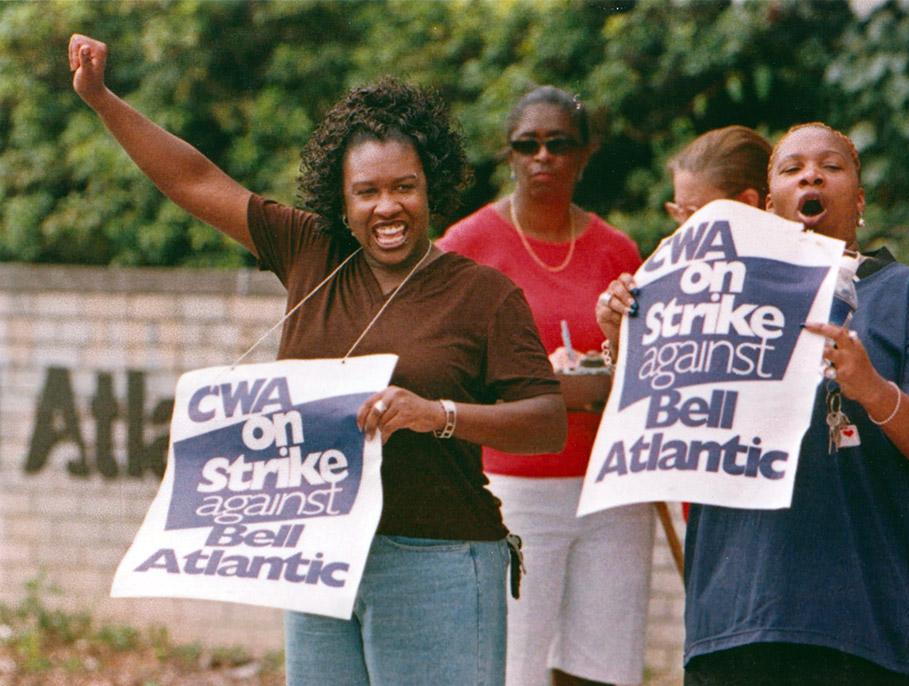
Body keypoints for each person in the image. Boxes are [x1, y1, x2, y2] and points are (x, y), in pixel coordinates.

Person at [69, 34, 567, 686]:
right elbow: (194, 179)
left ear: (431, 187)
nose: (386, 206)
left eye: (404, 187)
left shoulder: (483, 295)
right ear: (342, 200)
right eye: (367, 191)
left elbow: (547, 420)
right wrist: (102, 100)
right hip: (318, 562)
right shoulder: (312, 252)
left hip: (438, 561)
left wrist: (438, 414)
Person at [599, 123, 909, 684]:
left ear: (860, 200)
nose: (811, 175)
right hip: (731, 621)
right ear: (768, 204)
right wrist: (624, 339)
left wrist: (872, 389)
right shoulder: (711, 296)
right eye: (792, 168)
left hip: (858, 622)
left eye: (831, 166)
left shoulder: (905, 293)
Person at [439, 86, 653, 686]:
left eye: (559, 145)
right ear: (507, 154)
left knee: (602, 664)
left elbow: (639, 359)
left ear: (584, 156)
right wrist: (551, 390)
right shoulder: (466, 245)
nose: (543, 158)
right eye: (527, 144)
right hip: (514, 484)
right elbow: (443, 365)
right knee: (513, 663)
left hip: (610, 484)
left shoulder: (616, 248)